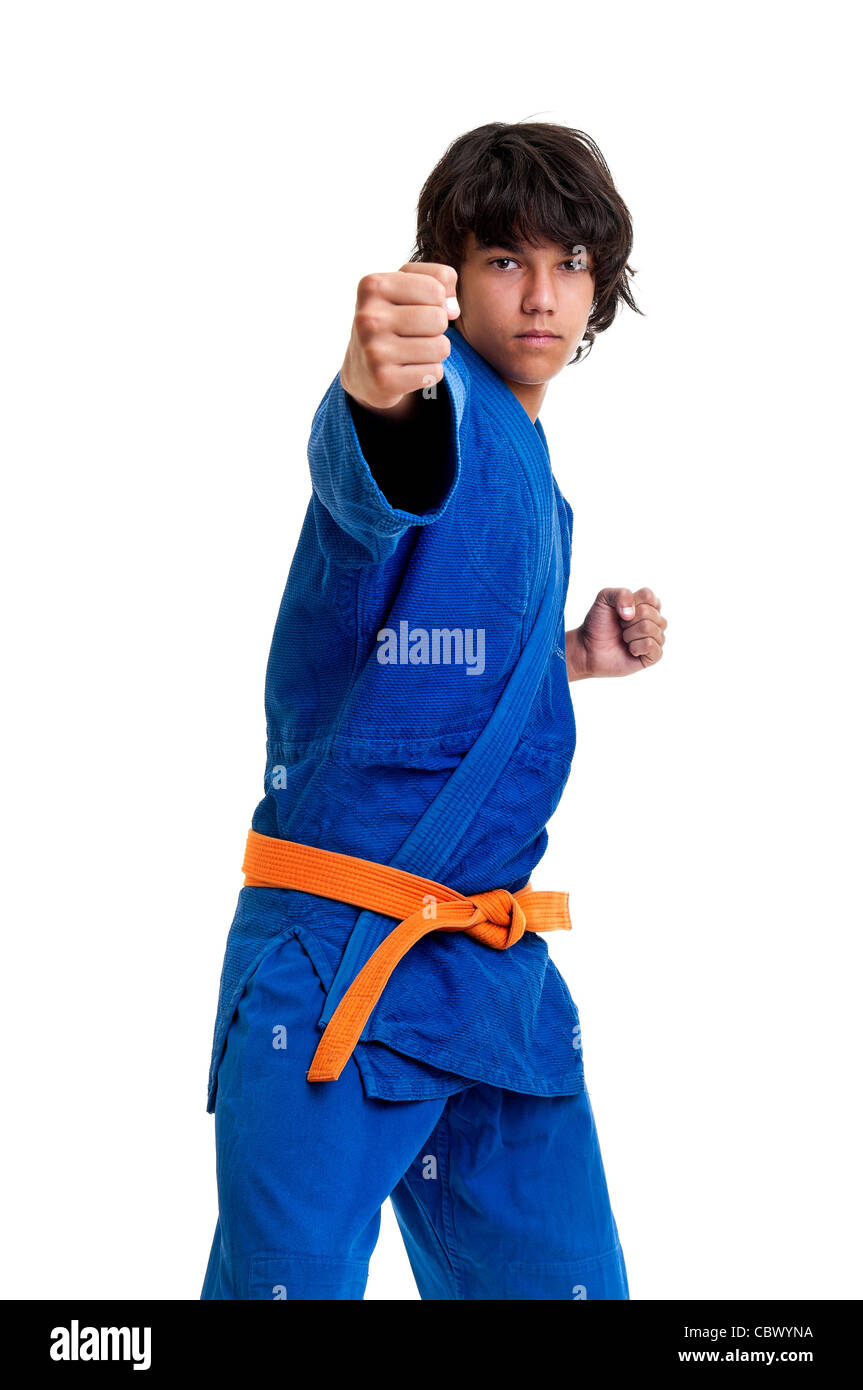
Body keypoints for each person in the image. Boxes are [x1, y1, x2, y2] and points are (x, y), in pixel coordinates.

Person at [201, 120, 666, 1301]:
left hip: (486, 982)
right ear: (448, 279)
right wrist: (374, 390)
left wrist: (567, 656)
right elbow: (377, 475)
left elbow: (414, 668)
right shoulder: (442, 403)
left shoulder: (533, 467)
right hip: (339, 973)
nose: (543, 295)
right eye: (505, 260)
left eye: (569, 263)